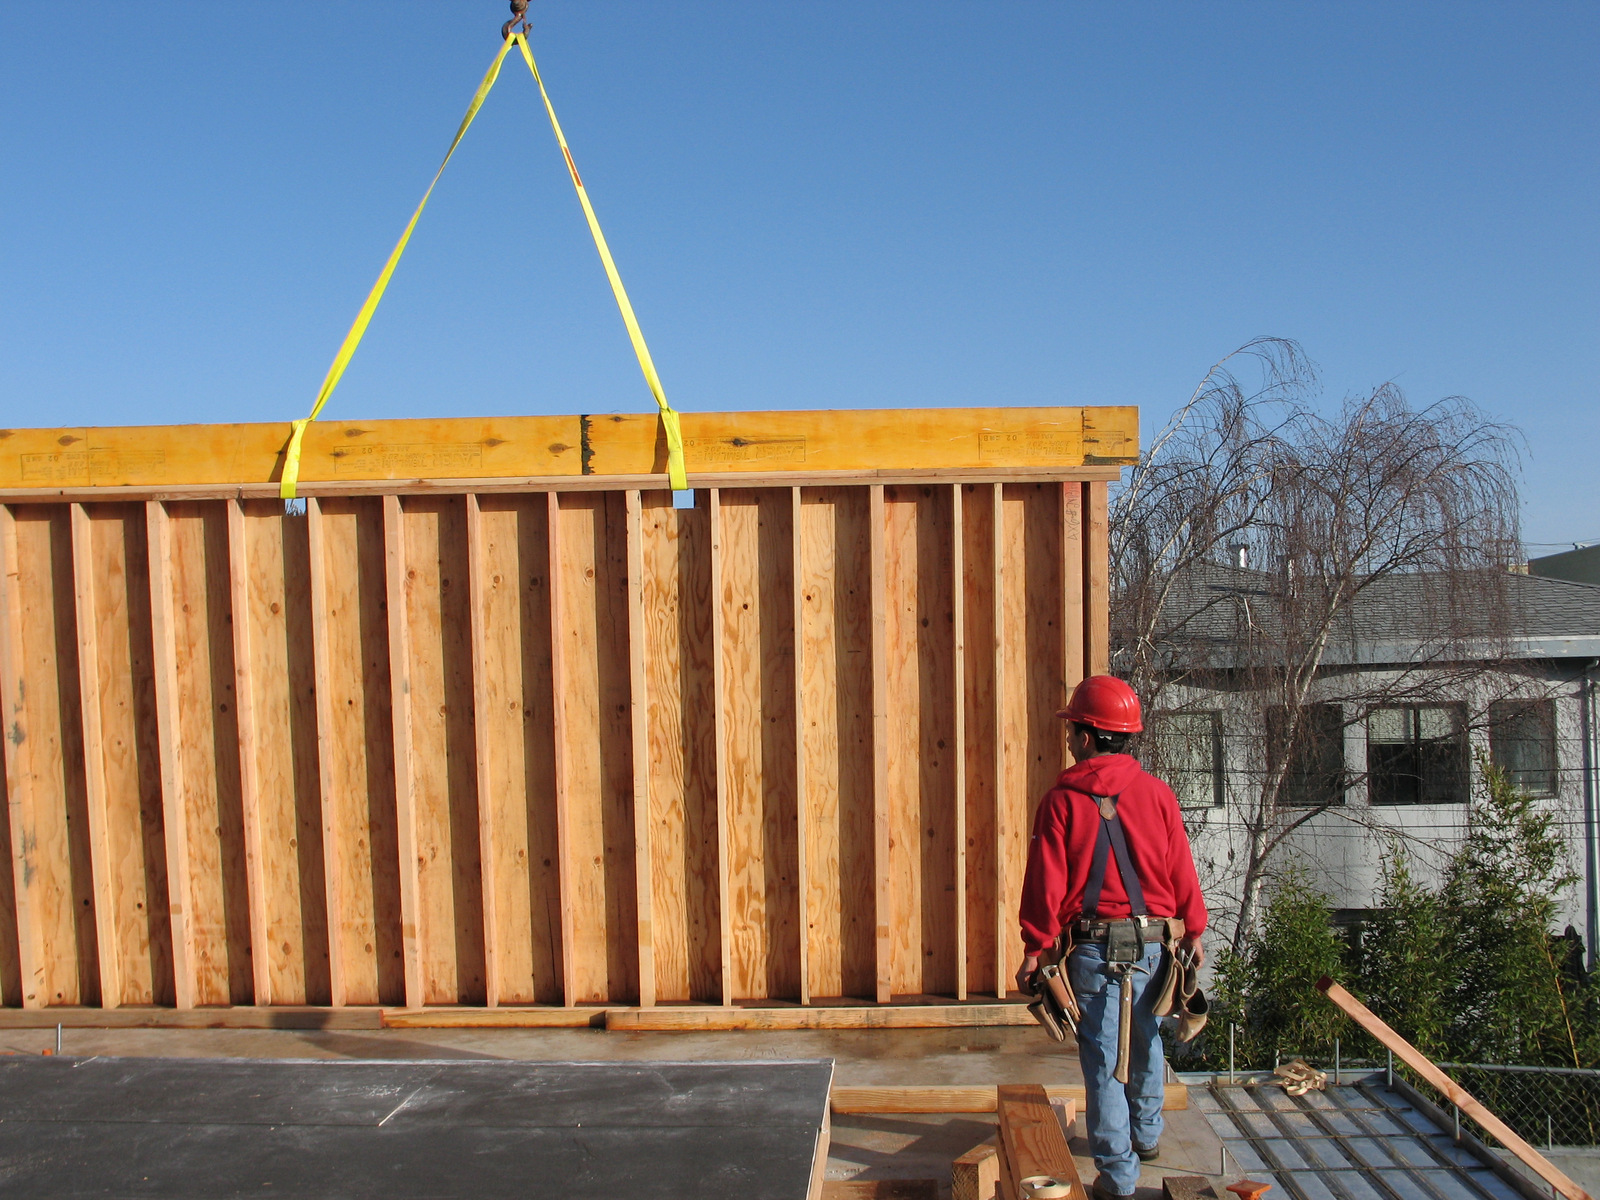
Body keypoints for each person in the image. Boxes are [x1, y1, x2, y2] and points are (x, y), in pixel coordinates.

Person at [1015, 675, 1207, 1200]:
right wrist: (1193, 929)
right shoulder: (1158, 795)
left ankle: (1118, 1178)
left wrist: (1036, 948)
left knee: (1102, 1057)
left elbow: (1045, 884)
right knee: (1144, 1038)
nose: (1070, 738)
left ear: (1086, 734)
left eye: (1074, 729)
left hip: (1095, 948)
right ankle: (1145, 1138)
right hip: (1154, 946)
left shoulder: (1061, 802)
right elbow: (1180, 870)